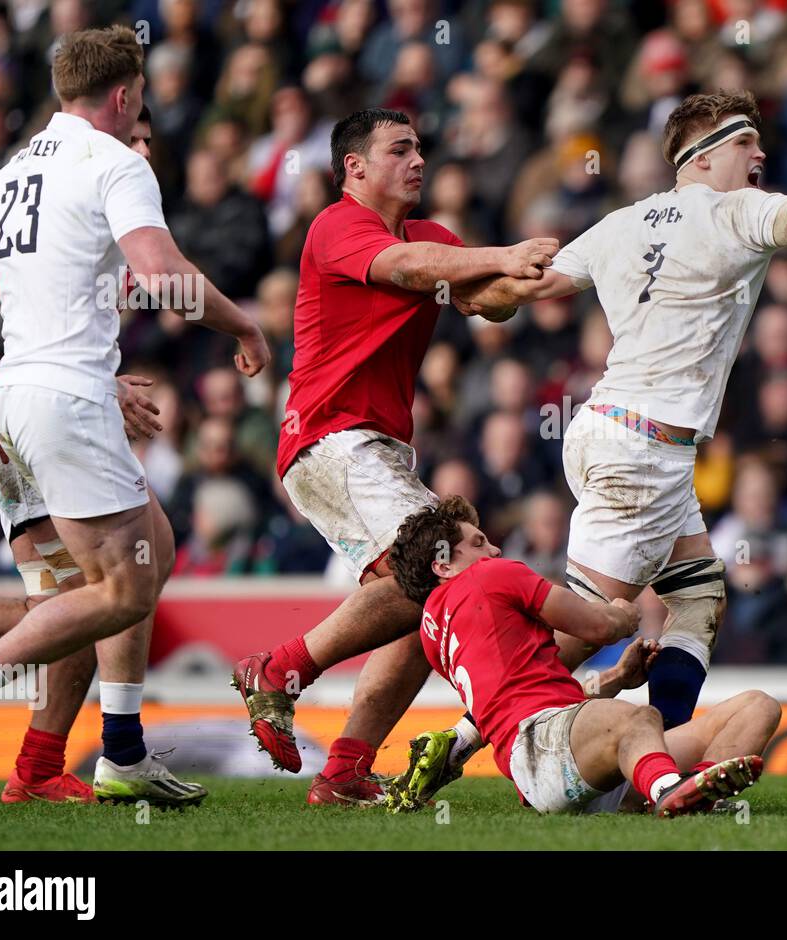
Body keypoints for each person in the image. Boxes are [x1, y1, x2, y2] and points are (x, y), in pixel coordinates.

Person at [436, 65, 787, 783]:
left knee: (698, 595)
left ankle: (667, 746)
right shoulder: (734, 215)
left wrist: (474, 294)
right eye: (747, 142)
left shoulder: (618, 223)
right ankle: (454, 743)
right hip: (643, 448)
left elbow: (516, 292)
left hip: (612, 429)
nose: (760, 157)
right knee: (587, 623)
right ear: (705, 156)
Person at [0, 25, 270, 802]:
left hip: (19, 395)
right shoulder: (116, 163)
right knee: (111, 591)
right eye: (144, 97)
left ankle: (115, 751)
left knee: (143, 549)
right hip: (59, 398)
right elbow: (164, 276)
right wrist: (243, 324)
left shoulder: (14, 170)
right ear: (124, 95)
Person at [227, 106, 559, 806]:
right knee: (441, 565)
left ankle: (344, 770)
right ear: (355, 167)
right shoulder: (338, 225)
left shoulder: (436, 236)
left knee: (430, 595)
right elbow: (409, 267)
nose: (417, 161)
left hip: (376, 447)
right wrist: (503, 255)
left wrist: (563, 271)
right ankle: (279, 669)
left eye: (419, 148)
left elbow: (486, 300)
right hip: (328, 436)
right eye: (399, 150)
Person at [386, 497, 779, 816]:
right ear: (443, 563)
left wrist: (616, 679)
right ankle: (667, 789)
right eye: (477, 543)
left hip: (566, 755)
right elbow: (597, 626)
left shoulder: (433, 636)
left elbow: (533, 690)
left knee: (758, 707)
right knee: (643, 717)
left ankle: (696, 797)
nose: (493, 549)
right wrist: (625, 615)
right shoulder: (490, 575)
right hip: (542, 744)